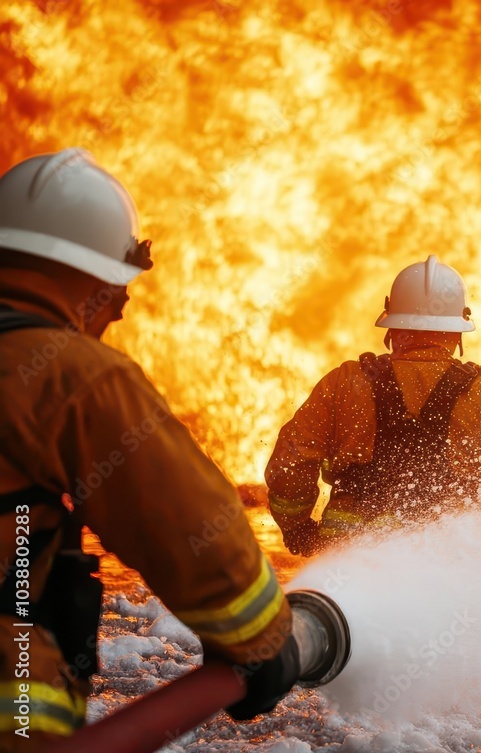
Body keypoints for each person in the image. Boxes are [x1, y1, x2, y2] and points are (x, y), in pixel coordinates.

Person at [0, 149, 301, 750]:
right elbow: (198, 534)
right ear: (89, 273)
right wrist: (269, 644)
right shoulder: (74, 376)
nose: (124, 302)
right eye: (120, 280)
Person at [266, 255, 481, 556]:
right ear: (457, 331)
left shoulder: (345, 383)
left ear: (392, 326)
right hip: (465, 565)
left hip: (351, 564)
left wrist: (298, 528)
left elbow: (290, 463)